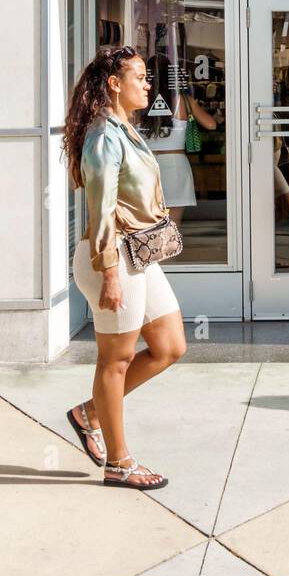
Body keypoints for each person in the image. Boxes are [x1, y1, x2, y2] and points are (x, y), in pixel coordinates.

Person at [63, 45, 187, 489]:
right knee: (114, 360)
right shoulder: (103, 137)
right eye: (140, 77)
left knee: (170, 345)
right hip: (111, 258)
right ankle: (119, 463)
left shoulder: (125, 129)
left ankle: (89, 411)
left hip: (139, 255)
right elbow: (101, 213)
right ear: (115, 84)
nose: (148, 84)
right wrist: (110, 273)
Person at [143, 51, 217, 221]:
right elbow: (211, 124)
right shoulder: (183, 100)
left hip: (146, 166)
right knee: (173, 229)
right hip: (176, 165)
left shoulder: (140, 101)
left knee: (147, 227)